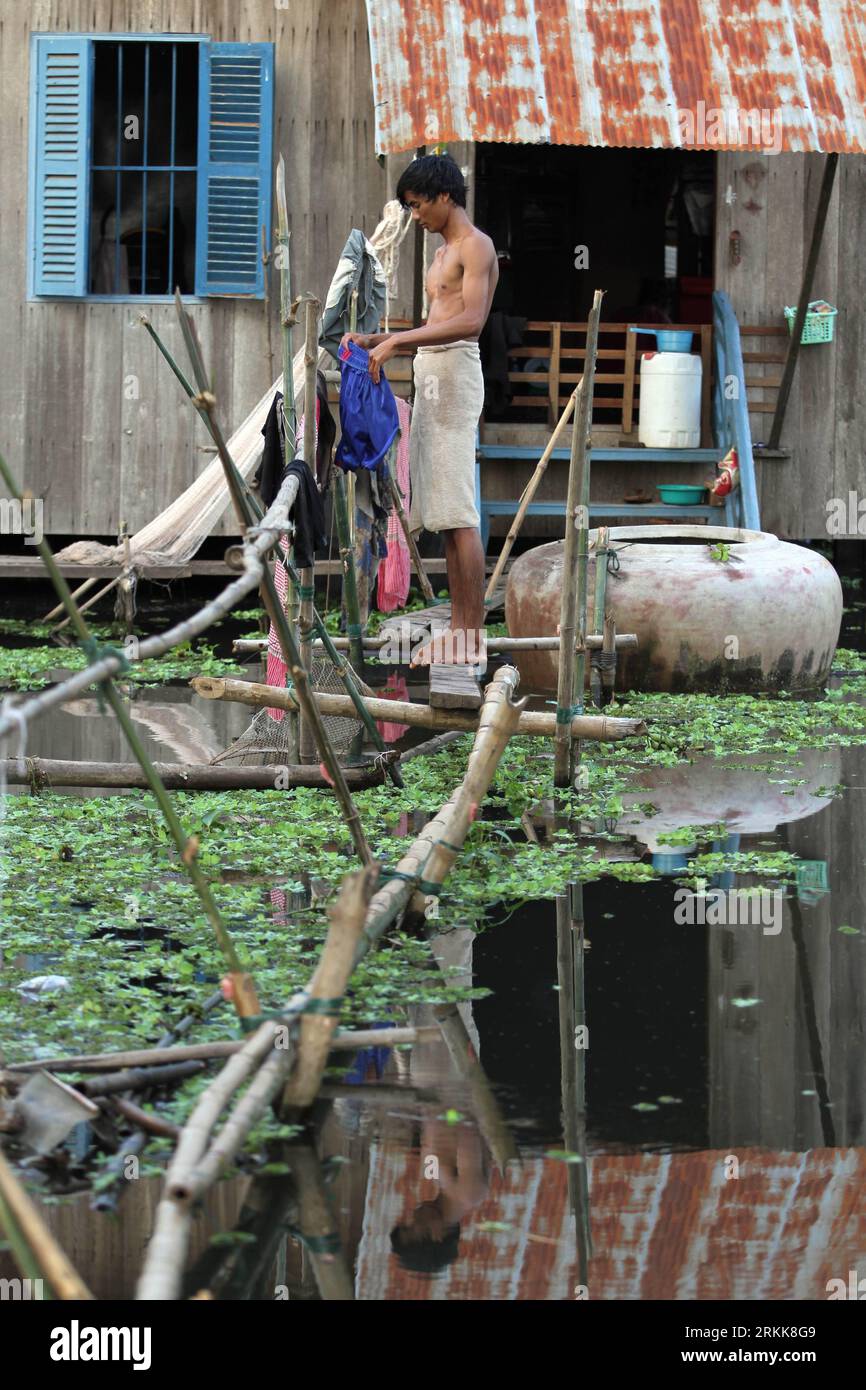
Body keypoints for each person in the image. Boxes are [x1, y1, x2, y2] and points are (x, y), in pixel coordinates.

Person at [340, 153, 498, 666]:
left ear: (444, 196)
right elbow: (435, 324)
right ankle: (457, 625)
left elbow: (470, 321)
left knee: (458, 512)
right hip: (432, 370)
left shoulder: (475, 247)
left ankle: (469, 634)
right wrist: (378, 339)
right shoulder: (440, 252)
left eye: (417, 205)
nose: (414, 217)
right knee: (444, 512)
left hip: (454, 375)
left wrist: (398, 341)